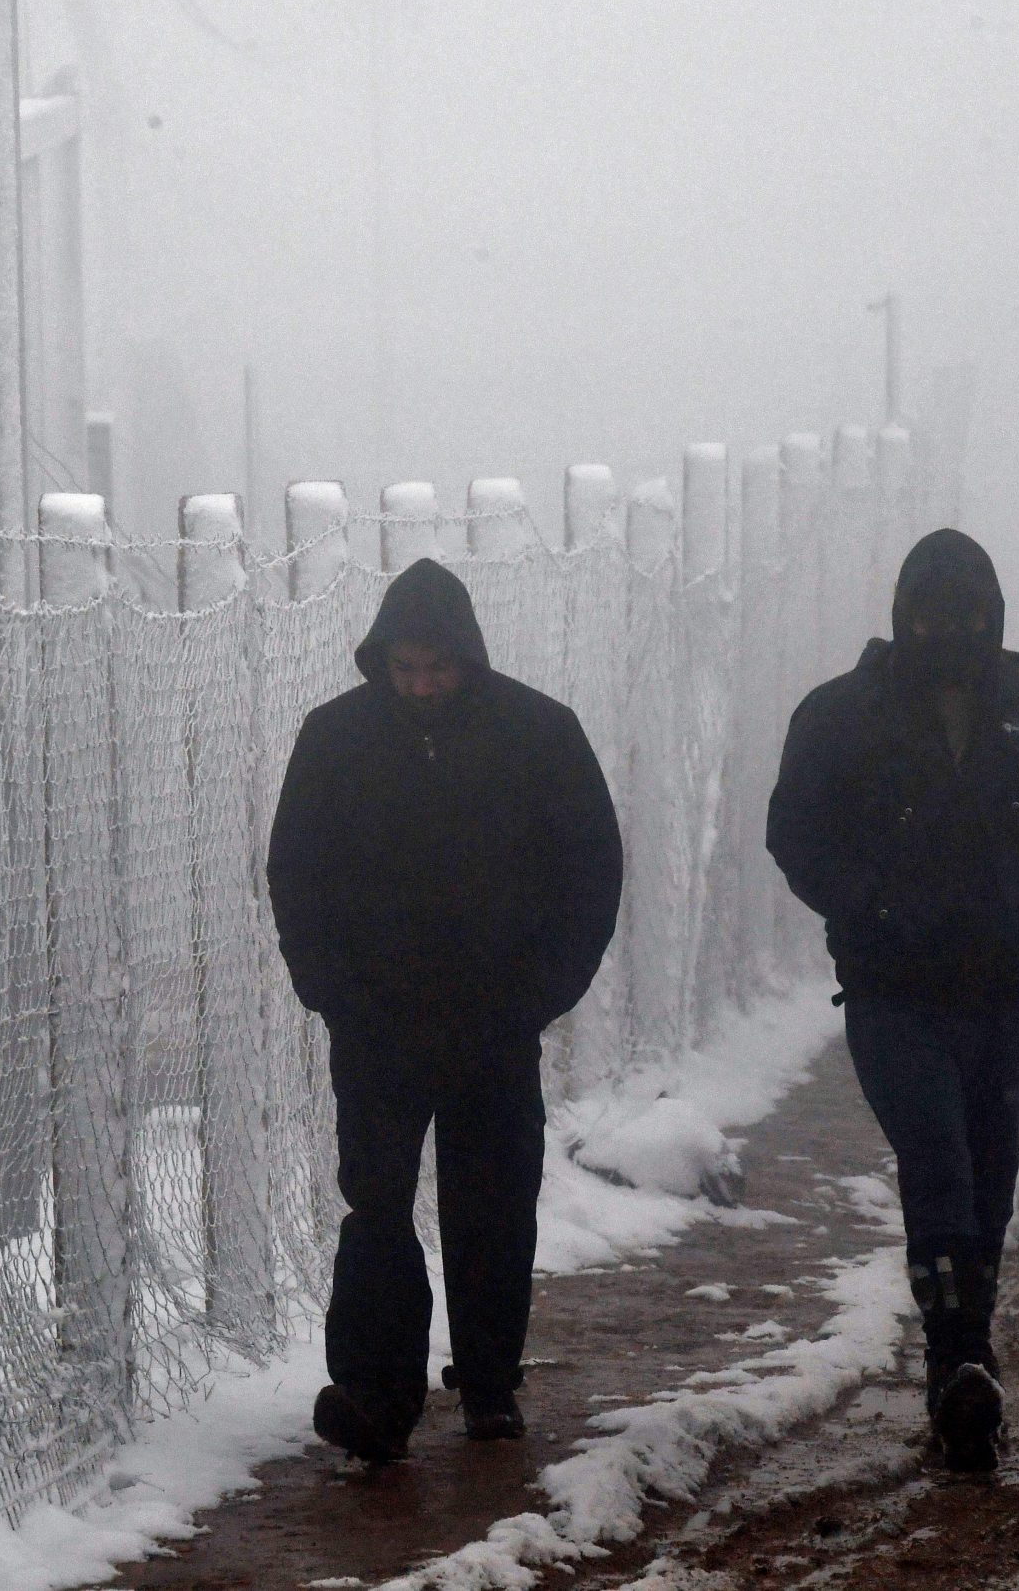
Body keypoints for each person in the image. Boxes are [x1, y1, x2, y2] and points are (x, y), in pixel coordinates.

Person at [766, 528, 1019, 1474]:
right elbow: (795, 831)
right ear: (901, 614)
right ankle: (957, 1355)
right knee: (935, 1156)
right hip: (892, 991)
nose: (949, 632)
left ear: (996, 618)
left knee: (987, 1170)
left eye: (967, 617)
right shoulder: (846, 714)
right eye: (931, 615)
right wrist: (873, 904)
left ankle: (967, 1353)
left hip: (1004, 989)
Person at [267, 557, 624, 1463]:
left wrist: (536, 994)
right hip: (377, 1019)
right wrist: (331, 987)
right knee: (377, 1201)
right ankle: (375, 1392)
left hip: (493, 1019)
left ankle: (489, 1379)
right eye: (406, 669)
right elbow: (297, 873)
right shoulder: (335, 740)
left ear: (469, 658)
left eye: (438, 668)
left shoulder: (539, 735)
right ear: (381, 663)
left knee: (493, 1199)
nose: (422, 686)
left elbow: (590, 872)